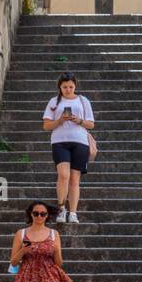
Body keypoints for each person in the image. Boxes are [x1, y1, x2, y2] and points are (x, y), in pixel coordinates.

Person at [42, 71, 95, 225]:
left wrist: (78, 120)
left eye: (71, 87)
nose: (68, 90)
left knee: (74, 179)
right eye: (65, 87)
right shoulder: (54, 101)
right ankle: (61, 209)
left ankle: (73, 212)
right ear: (60, 87)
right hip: (59, 141)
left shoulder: (83, 101)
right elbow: (46, 125)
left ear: (75, 86)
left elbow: (91, 124)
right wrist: (59, 120)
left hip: (80, 141)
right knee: (63, 175)